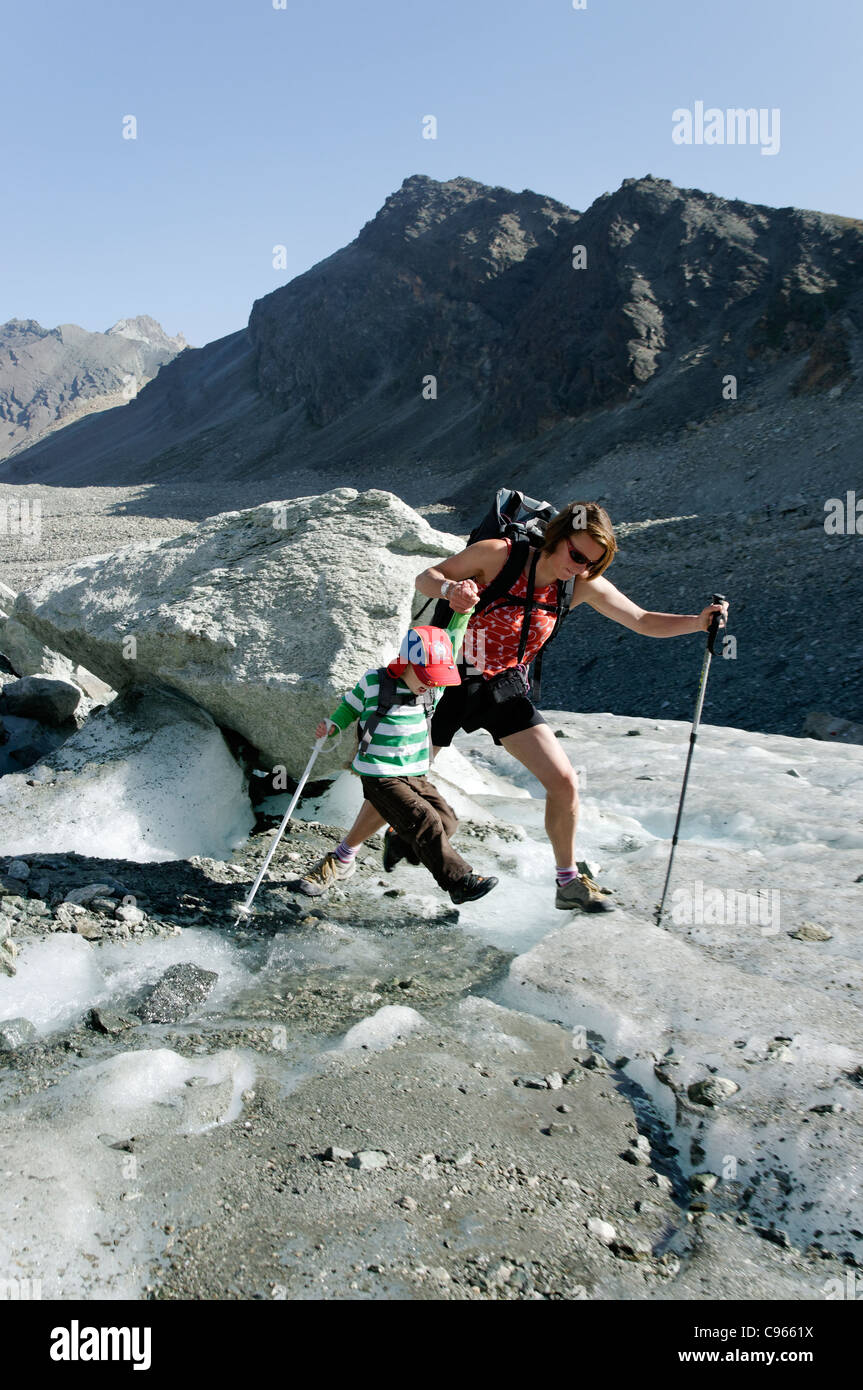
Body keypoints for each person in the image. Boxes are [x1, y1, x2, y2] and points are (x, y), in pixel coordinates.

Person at [302, 499, 729, 912]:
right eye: (576, 554)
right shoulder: (499, 555)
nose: (580, 567)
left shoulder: (578, 584)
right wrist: (453, 590)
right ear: (558, 537)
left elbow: (640, 620)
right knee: (400, 776)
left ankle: (567, 882)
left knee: (563, 780)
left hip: (503, 685)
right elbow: (426, 577)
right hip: (446, 677)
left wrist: (698, 623)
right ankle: (341, 858)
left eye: (591, 563)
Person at [298, 618, 498, 906]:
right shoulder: (373, 683)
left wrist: (463, 613)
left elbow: (450, 642)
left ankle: (399, 839)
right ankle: (459, 882)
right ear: (405, 662)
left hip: (415, 772)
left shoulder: (431, 688)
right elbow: (349, 708)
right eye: (427, 676)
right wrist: (332, 726)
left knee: (446, 822)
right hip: (379, 773)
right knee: (425, 819)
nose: (432, 682)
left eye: (437, 677)